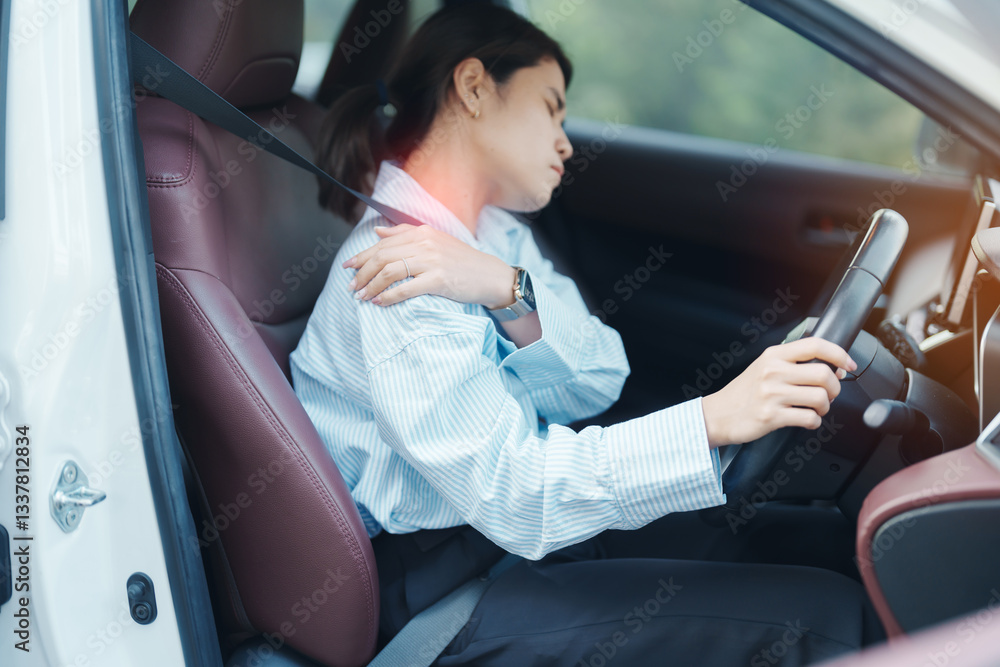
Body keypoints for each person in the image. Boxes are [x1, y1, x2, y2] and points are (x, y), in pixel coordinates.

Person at [289, 4, 883, 665]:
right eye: (551, 107)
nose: (566, 141)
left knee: (825, 547)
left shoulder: (492, 237)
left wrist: (508, 289)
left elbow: (601, 373)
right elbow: (518, 494)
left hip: (501, 544)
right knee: (824, 617)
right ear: (474, 87)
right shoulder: (398, 271)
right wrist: (713, 417)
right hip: (441, 593)